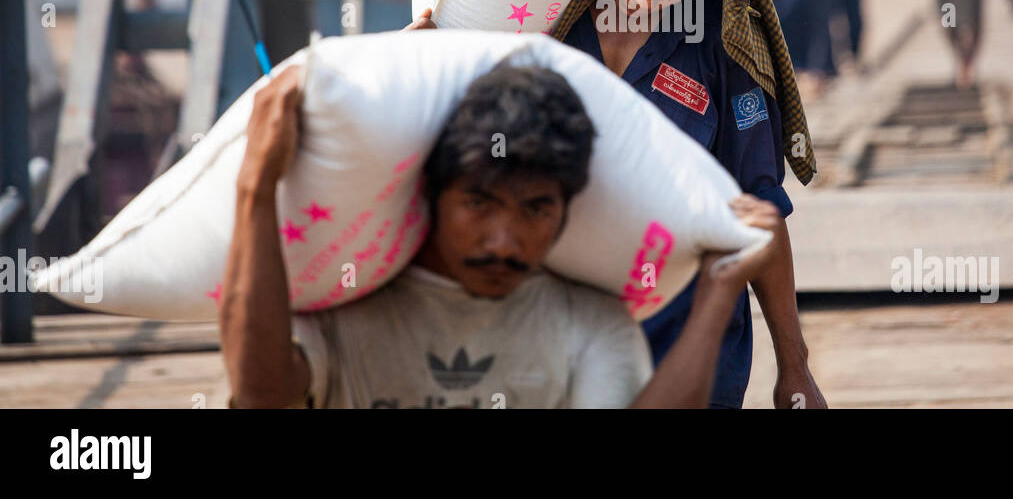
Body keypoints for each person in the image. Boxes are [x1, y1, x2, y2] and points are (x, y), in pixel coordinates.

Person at [413, 0, 826, 408]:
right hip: (555, 325)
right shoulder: (545, 18)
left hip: (690, 330)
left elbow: (760, 212)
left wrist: (794, 368)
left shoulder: (725, 48)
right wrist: (418, 59)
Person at [218, 62, 780, 408]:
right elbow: (262, 393)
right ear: (432, 193)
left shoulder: (590, 325)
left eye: (536, 209)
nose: (503, 243)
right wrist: (256, 187)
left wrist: (717, 296)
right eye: (478, 203)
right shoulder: (349, 304)